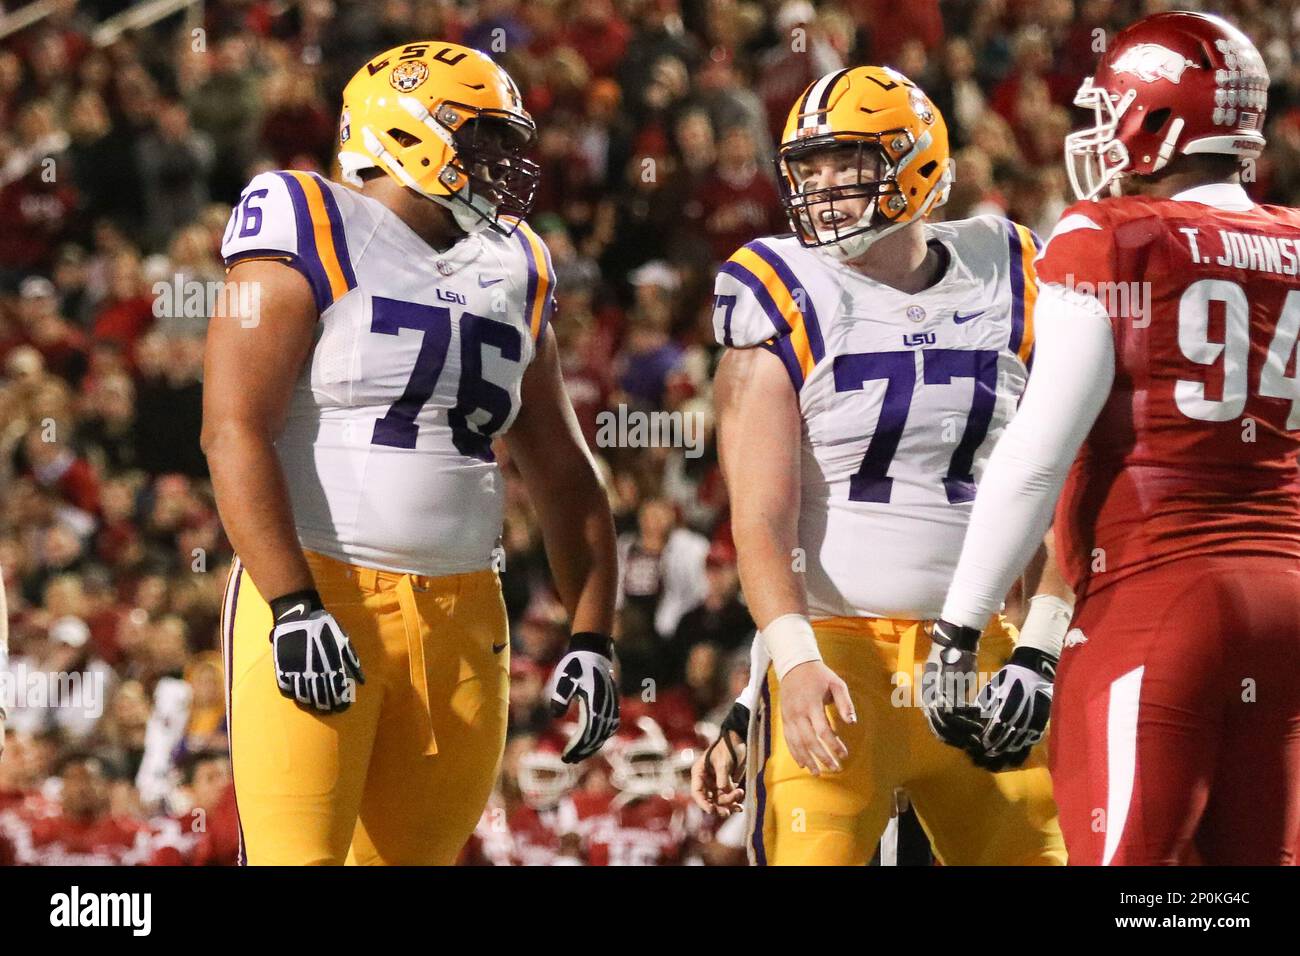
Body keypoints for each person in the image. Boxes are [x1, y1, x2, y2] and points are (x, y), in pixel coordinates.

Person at [202, 42, 620, 865]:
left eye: (508, 141)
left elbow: (563, 470)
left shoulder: (519, 261)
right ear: (406, 131)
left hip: (465, 612)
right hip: (325, 589)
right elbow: (232, 427)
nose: (503, 162)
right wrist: (292, 603)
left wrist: (595, 631)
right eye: (483, 138)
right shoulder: (307, 216)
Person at [930, 12, 1300, 865]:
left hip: (1161, 600)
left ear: (1160, 120)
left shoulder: (1116, 236)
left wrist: (961, 629)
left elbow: (1036, 455)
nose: (1097, 135)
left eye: (1113, 111)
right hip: (1284, 598)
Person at [702, 66, 1067, 865]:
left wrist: (1042, 647)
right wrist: (779, 670)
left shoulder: (1011, 268)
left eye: (847, 162)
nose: (824, 185)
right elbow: (761, 518)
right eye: (811, 166)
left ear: (917, 163)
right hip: (837, 656)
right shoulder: (780, 286)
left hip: (978, 653)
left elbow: (1053, 488)